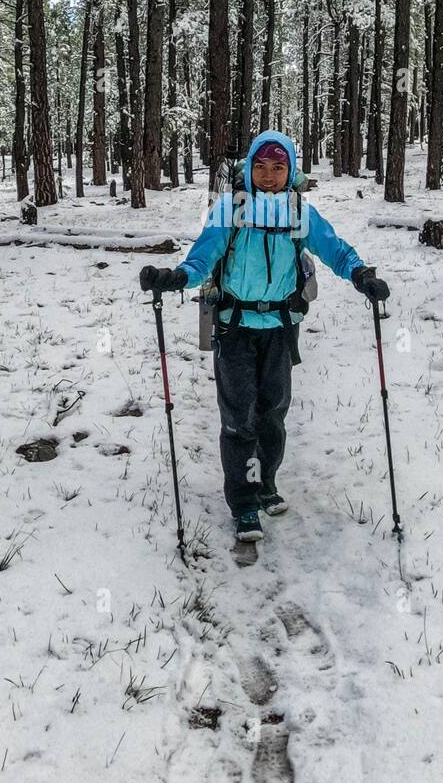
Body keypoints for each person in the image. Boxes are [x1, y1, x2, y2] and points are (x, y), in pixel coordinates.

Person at [139, 130, 390, 543]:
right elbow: (203, 256)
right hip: (235, 328)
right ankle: (244, 504)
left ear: (290, 171)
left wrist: (361, 275)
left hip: (280, 328)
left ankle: (266, 482)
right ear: (249, 169)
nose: (269, 175)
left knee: (272, 413)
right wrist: (176, 277)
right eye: (261, 166)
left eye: (278, 167)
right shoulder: (230, 210)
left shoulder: (299, 213)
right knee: (239, 420)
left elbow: (335, 249)